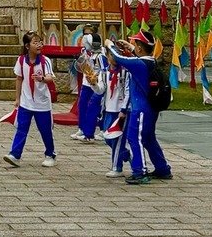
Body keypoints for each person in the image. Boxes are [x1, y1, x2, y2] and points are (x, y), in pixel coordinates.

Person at [105, 31, 173, 186]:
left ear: (141, 48)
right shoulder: (150, 61)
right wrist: (130, 47)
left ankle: (139, 171)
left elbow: (118, 58)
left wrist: (110, 45)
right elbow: (135, 57)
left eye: (136, 44)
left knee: (135, 138)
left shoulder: (139, 64)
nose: (134, 47)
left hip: (140, 109)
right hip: (151, 108)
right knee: (149, 139)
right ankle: (162, 168)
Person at [5, 32, 57, 169]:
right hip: (26, 102)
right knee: (21, 128)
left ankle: (50, 154)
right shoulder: (21, 61)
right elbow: (19, 79)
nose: (39, 45)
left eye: (40, 42)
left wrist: (42, 79)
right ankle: (15, 154)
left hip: (42, 103)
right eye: (35, 42)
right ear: (27, 46)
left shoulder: (45, 61)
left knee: (45, 130)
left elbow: (50, 78)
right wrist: (17, 98)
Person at [99, 48, 130, 177]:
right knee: (107, 137)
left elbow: (128, 91)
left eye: (117, 54)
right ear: (107, 56)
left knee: (117, 140)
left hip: (120, 111)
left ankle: (117, 167)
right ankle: (127, 155)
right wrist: (94, 84)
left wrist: (124, 109)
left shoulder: (125, 72)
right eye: (111, 55)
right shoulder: (105, 73)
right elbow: (100, 90)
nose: (114, 57)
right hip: (108, 110)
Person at [71, 34, 104, 143]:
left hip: (97, 83)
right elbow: (81, 66)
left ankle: (101, 129)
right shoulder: (85, 52)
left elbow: (103, 69)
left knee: (97, 108)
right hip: (87, 82)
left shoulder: (101, 55)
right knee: (83, 105)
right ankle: (82, 129)